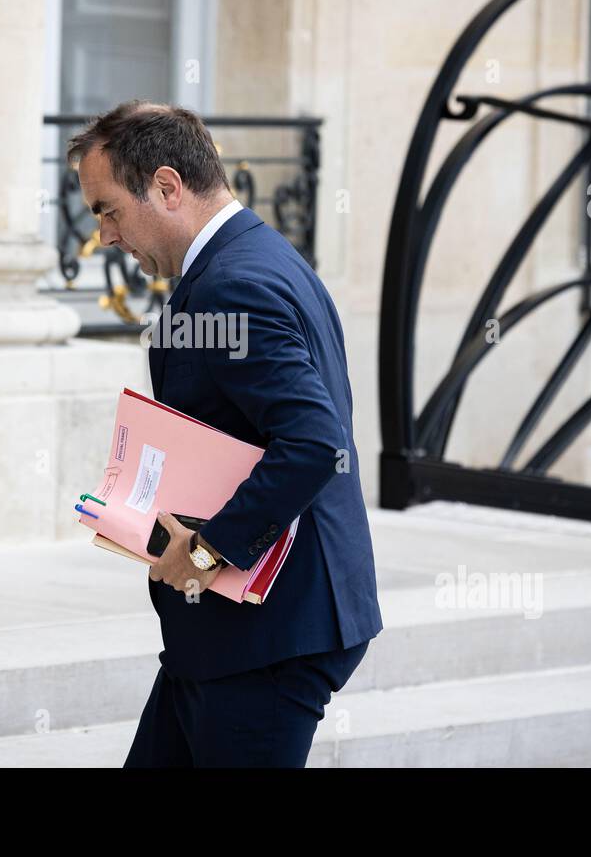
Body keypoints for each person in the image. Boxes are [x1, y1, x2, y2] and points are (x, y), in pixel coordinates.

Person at [68, 100, 383, 767]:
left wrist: (209, 552)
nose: (105, 236)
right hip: (229, 633)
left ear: (166, 187)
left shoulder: (232, 284)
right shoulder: (255, 257)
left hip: (267, 637)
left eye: (108, 209)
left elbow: (315, 442)